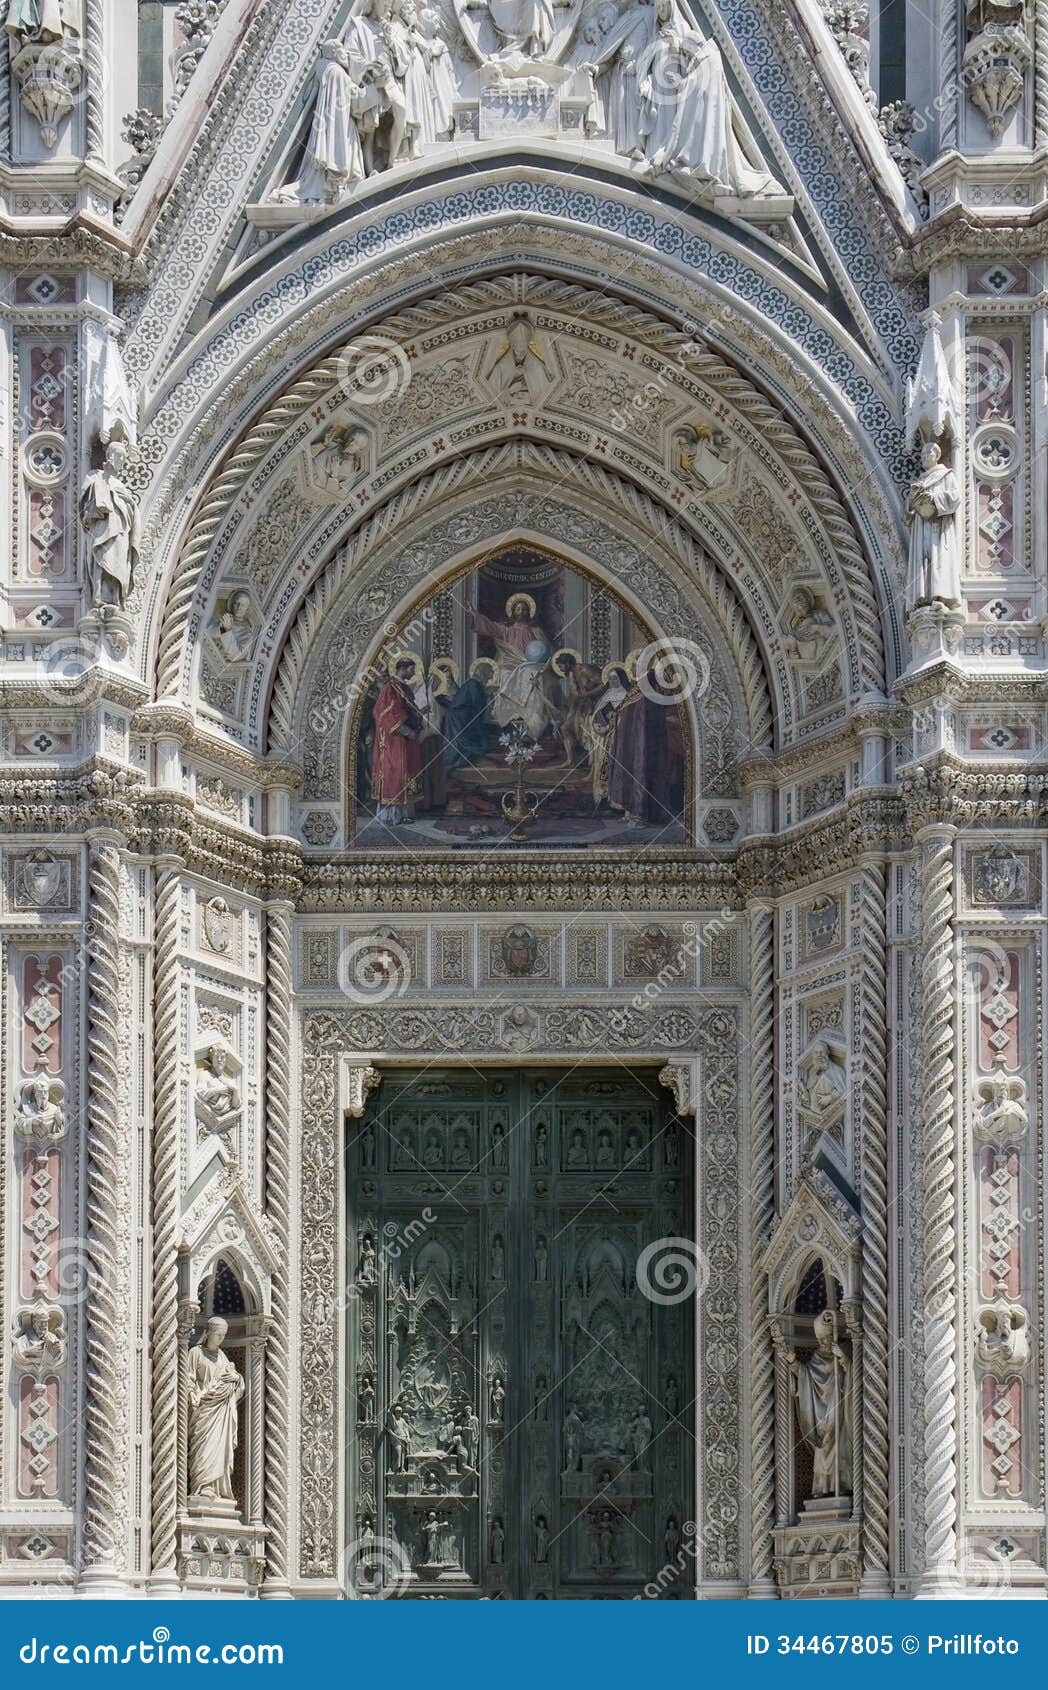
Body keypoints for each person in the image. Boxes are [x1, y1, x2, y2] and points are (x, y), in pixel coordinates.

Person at [605, 656, 674, 826]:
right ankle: (631, 810)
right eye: (633, 667)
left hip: (643, 745)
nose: (634, 670)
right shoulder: (634, 691)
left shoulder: (647, 692)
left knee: (641, 773)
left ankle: (640, 814)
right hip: (628, 745)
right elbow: (622, 712)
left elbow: (646, 720)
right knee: (629, 772)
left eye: (637, 667)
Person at [187, 1317, 244, 1505]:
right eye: (218, 1334)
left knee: (219, 1450)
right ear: (209, 1332)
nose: (220, 1338)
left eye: (224, 1335)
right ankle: (202, 1487)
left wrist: (236, 1379)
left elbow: (236, 1385)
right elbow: (188, 1378)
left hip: (220, 1412)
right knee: (203, 1451)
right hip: (203, 1411)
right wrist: (194, 1396)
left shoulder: (222, 1357)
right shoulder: (195, 1353)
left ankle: (216, 1487)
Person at [905, 440, 960, 612]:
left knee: (938, 558)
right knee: (923, 560)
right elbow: (906, 514)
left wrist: (933, 500)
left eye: (927, 454)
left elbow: (955, 497)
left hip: (938, 524)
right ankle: (923, 597)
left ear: (936, 456)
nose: (924, 458)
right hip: (921, 527)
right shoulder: (919, 481)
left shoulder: (946, 475)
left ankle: (939, 596)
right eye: (921, 455)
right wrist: (912, 501)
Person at [370, 656, 425, 824]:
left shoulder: (403, 687)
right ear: (404, 668)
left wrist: (419, 715)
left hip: (406, 740)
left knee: (406, 772)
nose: (414, 672)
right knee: (395, 773)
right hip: (393, 739)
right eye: (412, 669)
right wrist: (407, 731)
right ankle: (392, 816)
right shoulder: (391, 687)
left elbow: (409, 709)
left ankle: (403, 814)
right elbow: (385, 714)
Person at [443, 660, 495, 771]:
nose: (491, 677)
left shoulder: (475, 684)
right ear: (484, 672)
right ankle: (460, 762)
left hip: (463, 717)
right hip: (460, 719)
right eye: (490, 672)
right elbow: (477, 705)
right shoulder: (473, 684)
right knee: (463, 741)